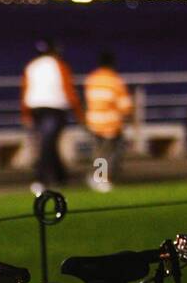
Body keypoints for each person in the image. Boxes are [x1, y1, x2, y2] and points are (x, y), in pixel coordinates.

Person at [21, 40, 82, 193]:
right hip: (55, 108)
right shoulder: (59, 65)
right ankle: (41, 178)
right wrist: (80, 113)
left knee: (48, 142)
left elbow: (25, 90)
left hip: (35, 108)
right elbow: (69, 91)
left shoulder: (32, 66)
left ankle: (60, 176)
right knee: (48, 144)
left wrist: (25, 114)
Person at [82, 51, 133, 192]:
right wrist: (127, 119)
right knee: (109, 154)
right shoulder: (115, 80)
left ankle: (97, 178)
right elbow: (125, 106)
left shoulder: (92, 79)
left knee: (99, 153)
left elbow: (87, 101)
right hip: (110, 123)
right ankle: (101, 179)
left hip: (93, 121)